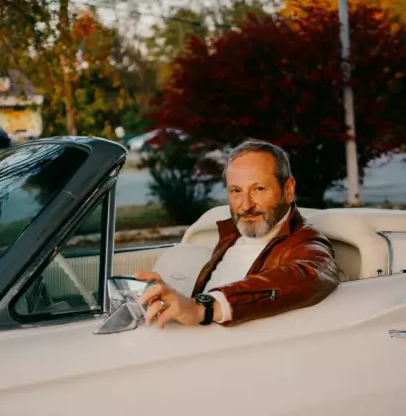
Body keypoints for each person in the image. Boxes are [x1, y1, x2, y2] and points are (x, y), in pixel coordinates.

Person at [136, 139, 340, 328]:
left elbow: (310, 275)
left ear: (287, 190)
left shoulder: (306, 241)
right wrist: (173, 299)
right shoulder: (233, 233)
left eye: (258, 189)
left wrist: (202, 308)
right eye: (236, 191)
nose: (246, 205)